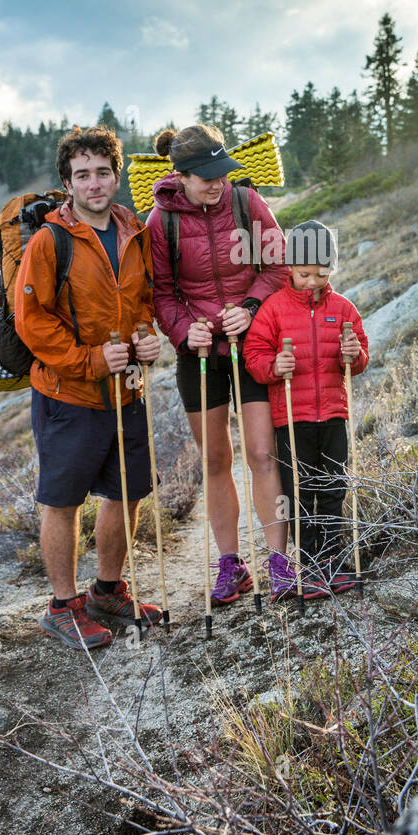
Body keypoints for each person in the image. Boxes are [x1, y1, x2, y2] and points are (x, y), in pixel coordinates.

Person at [15, 125, 164, 650]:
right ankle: (62, 606)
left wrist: (147, 339)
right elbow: (32, 322)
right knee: (63, 500)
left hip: (126, 389)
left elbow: (143, 301)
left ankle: (106, 592)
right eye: (83, 175)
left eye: (103, 172)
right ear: (67, 182)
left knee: (126, 492)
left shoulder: (134, 231)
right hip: (67, 395)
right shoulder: (49, 240)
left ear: (116, 176)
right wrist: (91, 360)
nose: (95, 184)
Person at [146, 123, 296, 602]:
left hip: (251, 345)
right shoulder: (160, 222)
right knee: (215, 459)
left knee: (260, 453)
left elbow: (278, 266)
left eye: (222, 172)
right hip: (200, 355)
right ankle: (231, 565)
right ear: (181, 175)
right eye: (206, 176)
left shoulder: (245, 203)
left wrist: (250, 309)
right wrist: (180, 331)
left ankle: (279, 561)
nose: (217, 182)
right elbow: (160, 295)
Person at [242, 219, 369, 596]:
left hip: (333, 414)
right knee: (297, 489)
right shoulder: (274, 309)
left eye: (321, 273)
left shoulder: (343, 308)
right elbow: (254, 354)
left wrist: (354, 355)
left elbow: (360, 357)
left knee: (333, 487)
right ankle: (310, 561)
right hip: (291, 419)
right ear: (289, 268)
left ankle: (332, 558)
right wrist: (273, 367)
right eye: (303, 273)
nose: (312, 282)